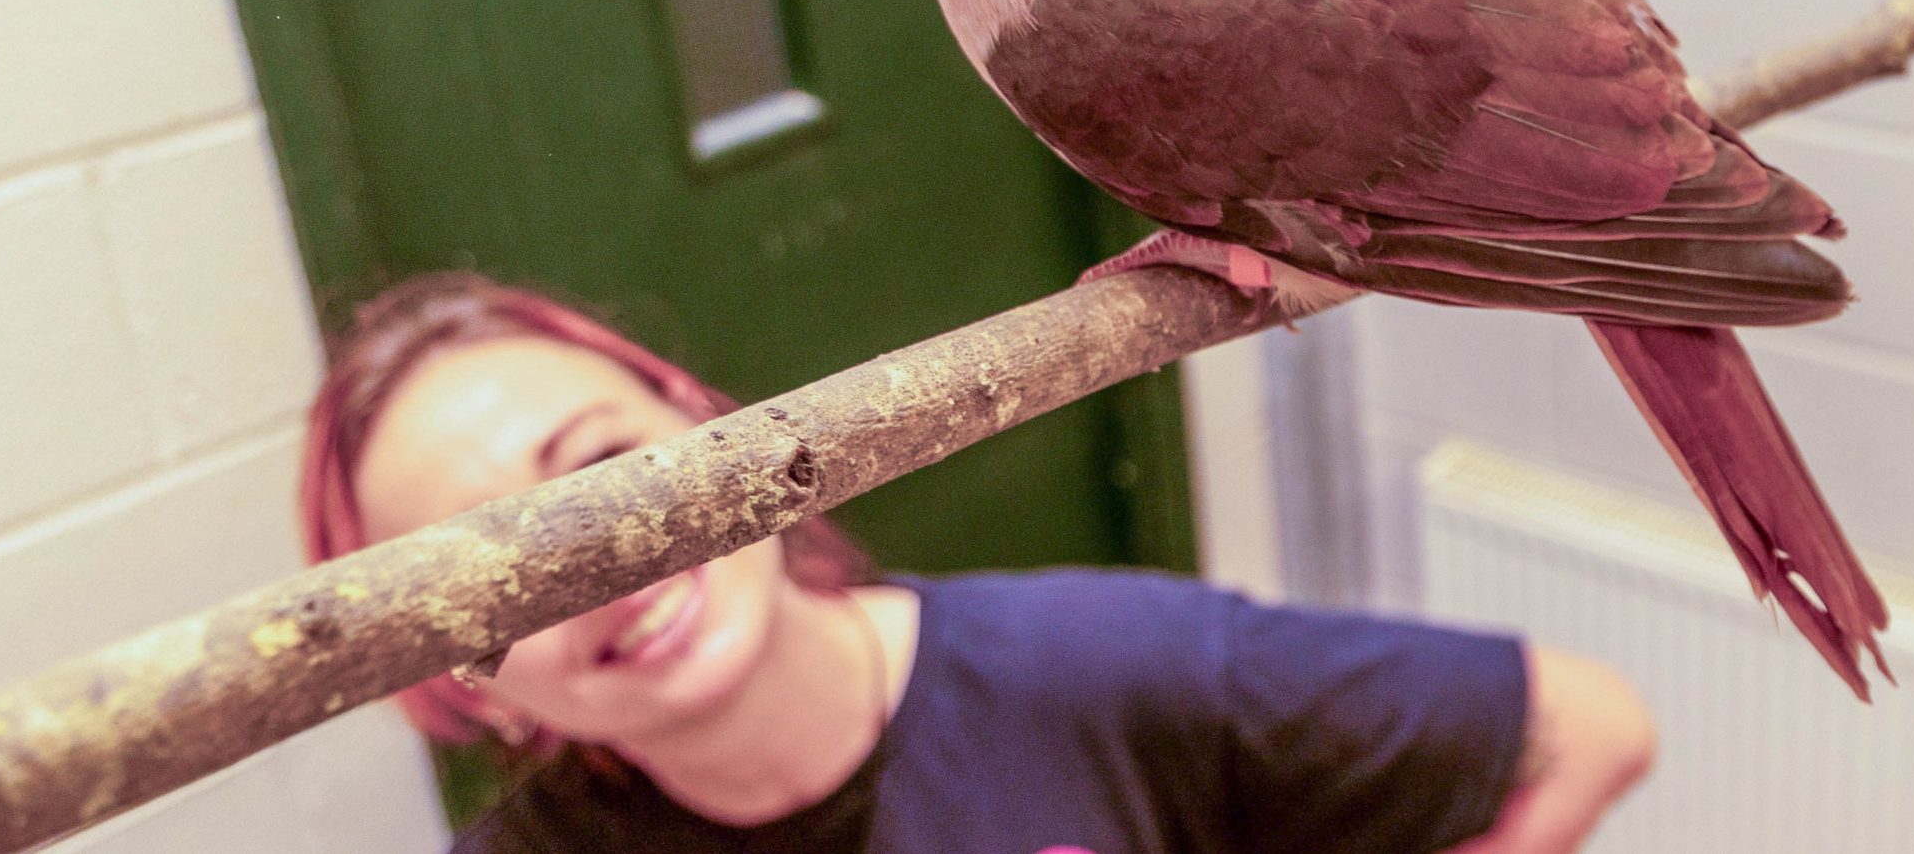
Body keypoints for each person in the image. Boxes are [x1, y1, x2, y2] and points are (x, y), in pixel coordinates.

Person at [300, 273, 1656, 853]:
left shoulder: (1100, 670)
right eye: (492, 581)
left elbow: (1591, 727)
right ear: (467, 685)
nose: (599, 572)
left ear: (711, 432)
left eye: (602, 471)